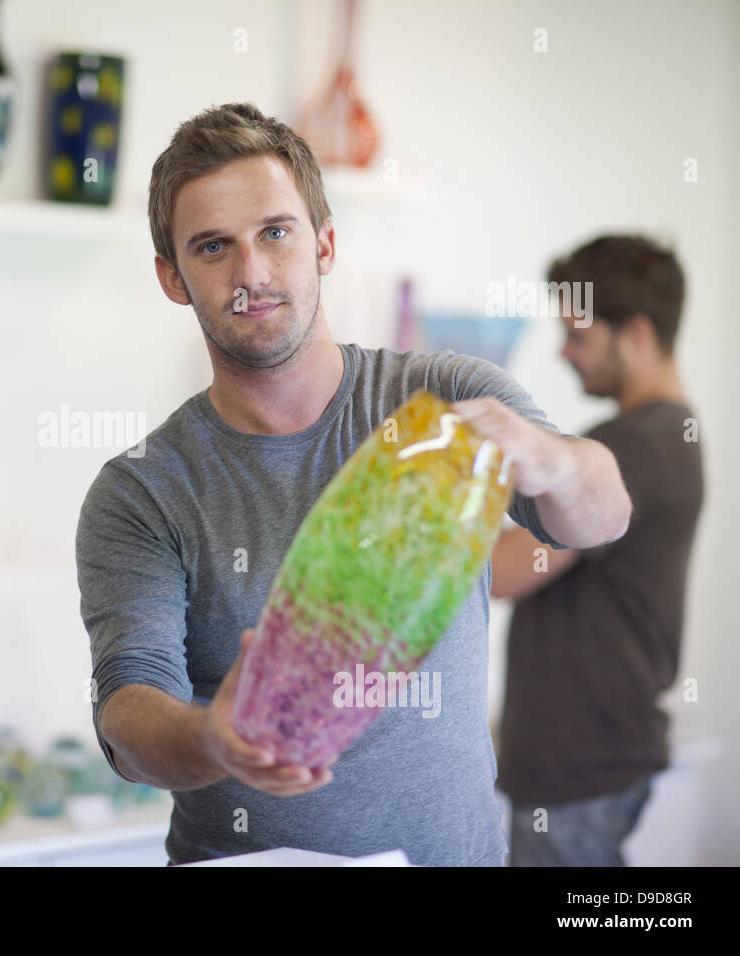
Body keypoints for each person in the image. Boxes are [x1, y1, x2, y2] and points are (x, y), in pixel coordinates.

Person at [74, 102, 631, 867]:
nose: (252, 275)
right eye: (213, 248)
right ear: (174, 278)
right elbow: (128, 713)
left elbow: (601, 516)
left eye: (276, 232)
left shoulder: (442, 399)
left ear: (325, 243)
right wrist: (213, 738)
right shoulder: (140, 492)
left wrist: (558, 460)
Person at [492, 235, 704, 867]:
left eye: (579, 335)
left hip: (579, 765)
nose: (564, 351)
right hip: (596, 755)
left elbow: (506, 570)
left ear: (636, 333)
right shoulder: (669, 434)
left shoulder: (629, 446)